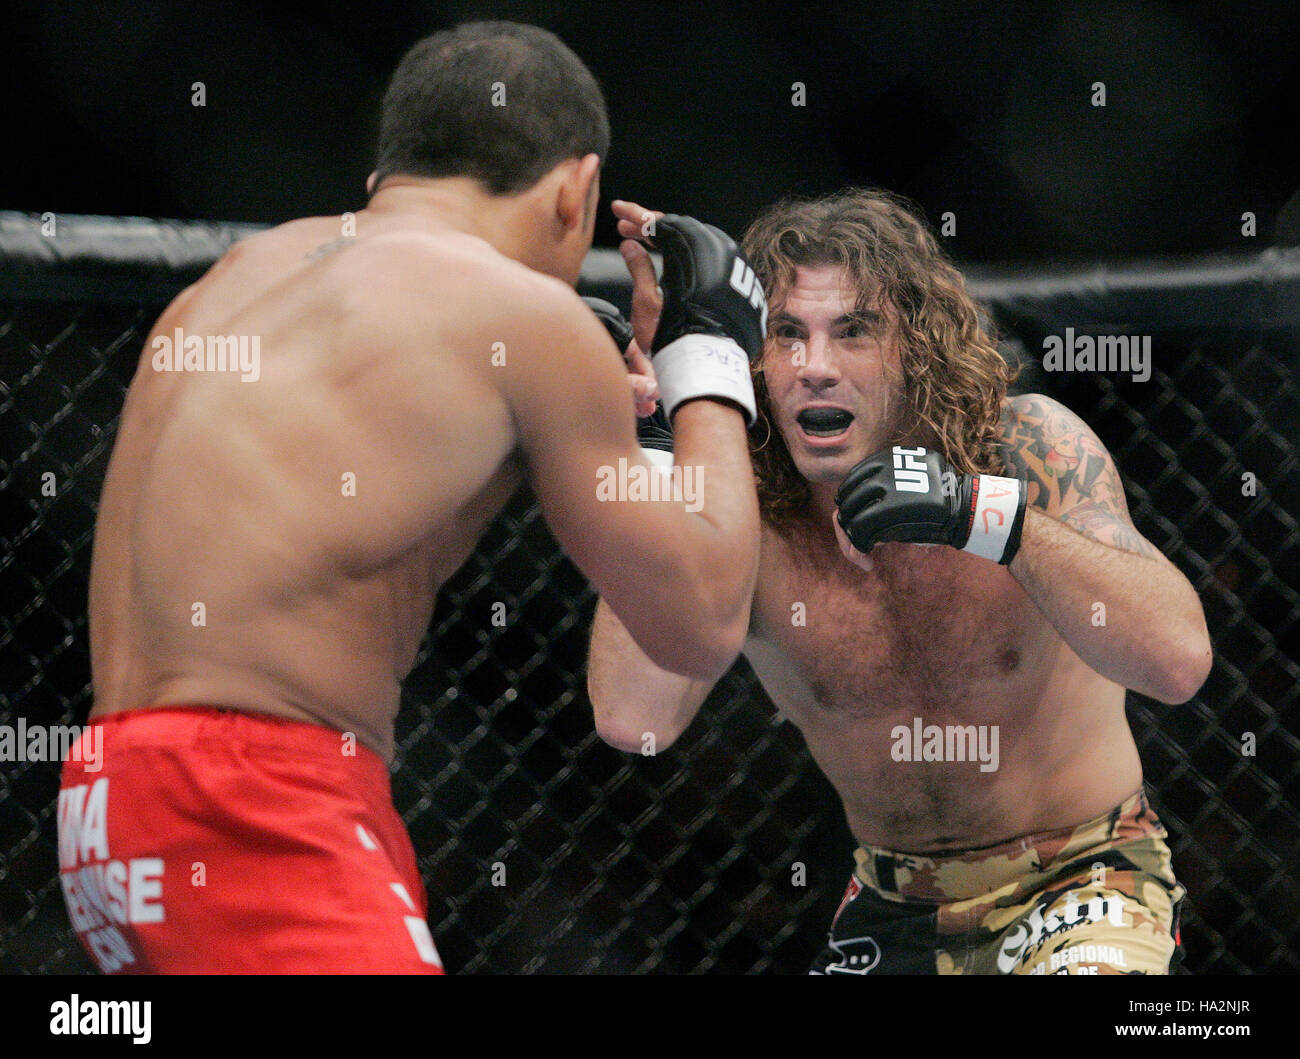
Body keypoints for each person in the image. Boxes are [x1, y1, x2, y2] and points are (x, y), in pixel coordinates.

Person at [56, 21, 764, 974]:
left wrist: (618, 422)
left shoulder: (235, 280)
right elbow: (702, 620)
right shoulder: (522, 315)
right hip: (254, 796)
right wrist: (709, 359)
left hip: (109, 795)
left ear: (387, 177)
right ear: (576, 189)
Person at [588, 189, 1213, 975]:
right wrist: (659, 438)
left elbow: (1179, 661)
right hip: (892, 904)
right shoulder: (738, 513)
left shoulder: (1022, 448)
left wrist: (985, 516)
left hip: (1081, 878)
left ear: (914, 346)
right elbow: (631, 716)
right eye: (787, 334)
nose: (815, 368)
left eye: (853, 331)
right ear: (751, 354)